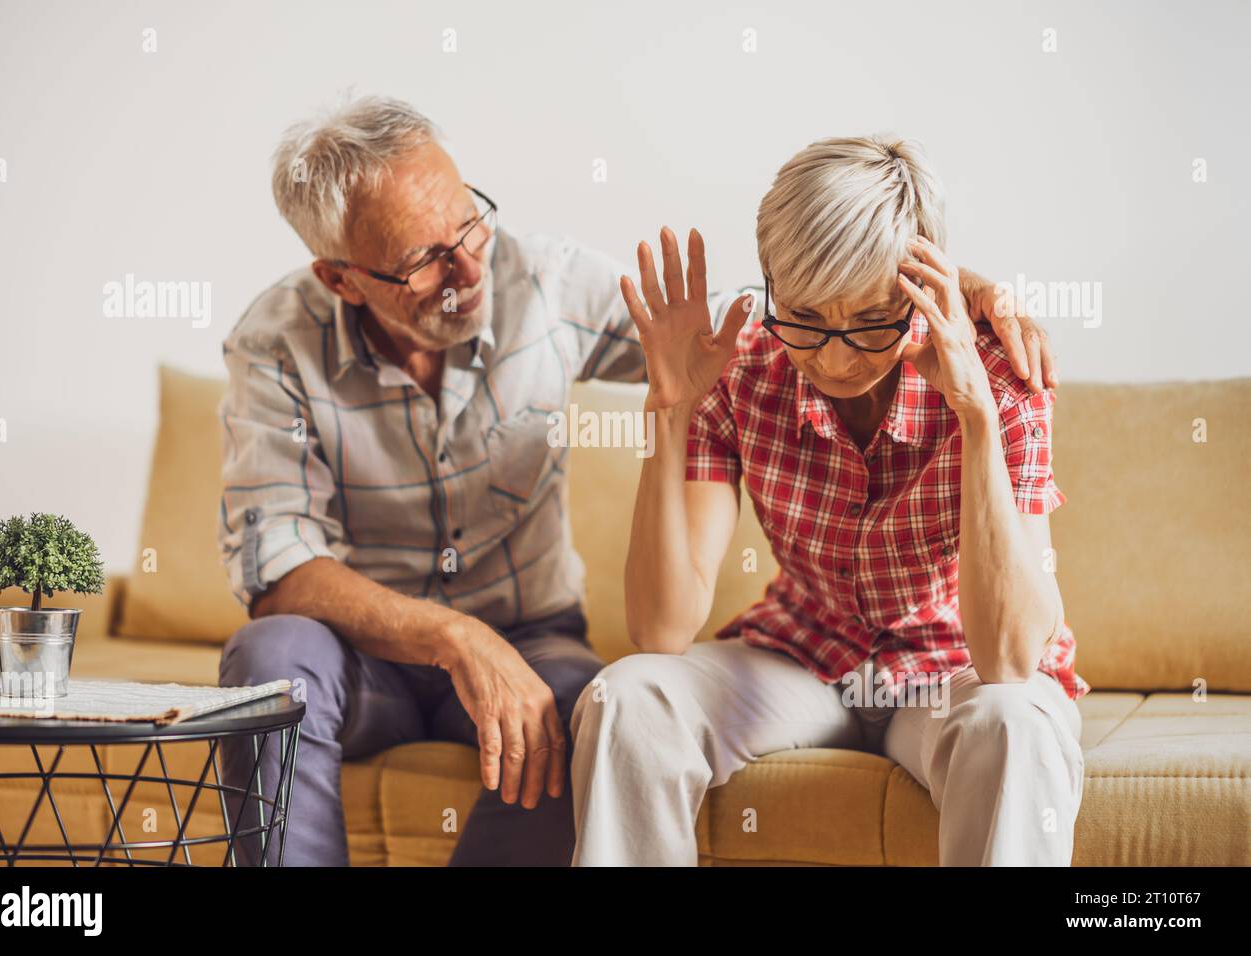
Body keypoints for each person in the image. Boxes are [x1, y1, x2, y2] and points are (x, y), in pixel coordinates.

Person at [216, 97, 1060, 866]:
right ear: (341, 277)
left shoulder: (546, 282)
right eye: (425, 260)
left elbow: (757, 314)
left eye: (471, 225)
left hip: (542, 639)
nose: (471, 267)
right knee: (276, 658)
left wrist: (964, 299)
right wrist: (455, 637)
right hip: (374, 653)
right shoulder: (274, 343)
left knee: (581, 699)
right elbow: (277, 562)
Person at [571, 135, 1089, 867]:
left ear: (922, 287)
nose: (835, 360)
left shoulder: (1001, 371)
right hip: (805, 661)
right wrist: (671, 409)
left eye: (872, 321)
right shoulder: (745, 366)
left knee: (1017, 723)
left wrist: (974, 411)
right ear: (773, 284)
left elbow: (1007, 658)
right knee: (626, 696)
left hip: (952, 671)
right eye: (806, 319)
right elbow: (661, 628)